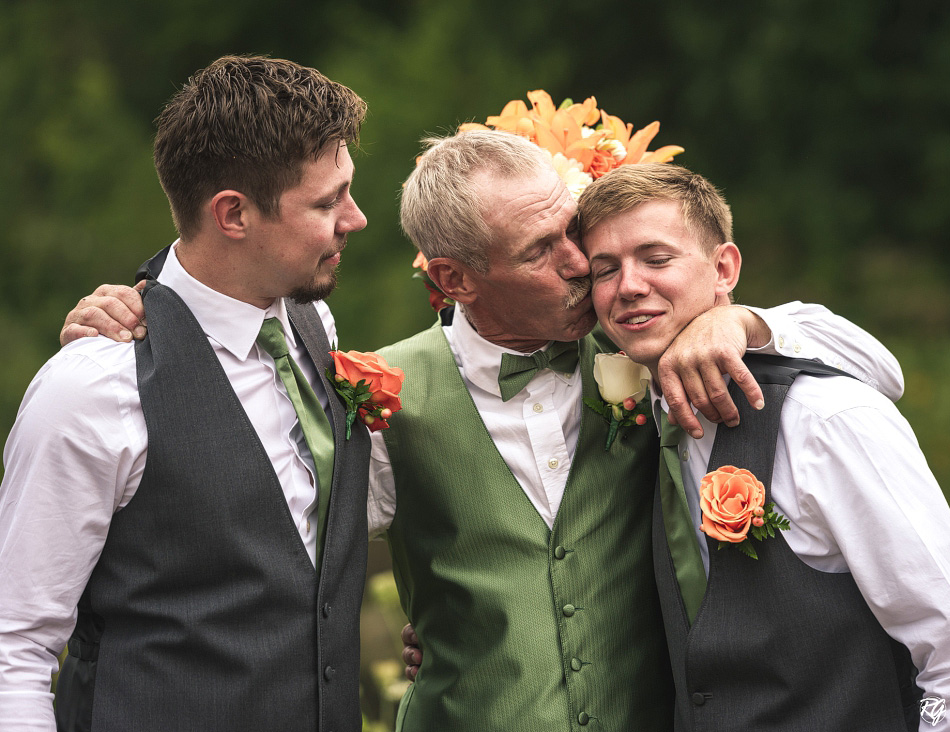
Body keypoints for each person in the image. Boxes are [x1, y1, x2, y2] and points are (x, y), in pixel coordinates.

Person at [60, 129, 904, 730]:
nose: (584, 265)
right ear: (457, 278)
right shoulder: (373, 398)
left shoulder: (646, 345)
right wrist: (149, 312)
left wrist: (743, 324)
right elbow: (269, 560)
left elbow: (877, 370)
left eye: (574, 231)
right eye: (545, 250)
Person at [0, 56, 373, 732]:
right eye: (326, 202)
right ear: (233, 213)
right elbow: (13, 651)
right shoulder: (91, 389)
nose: (358, 217)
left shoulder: (312, 324)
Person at [578, 162, 950, 731]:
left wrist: (749, 322)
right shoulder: (643, 417)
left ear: (723, 268)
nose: (629, 286)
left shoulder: (828, 420)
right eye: (603, 270)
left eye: (657, 260)